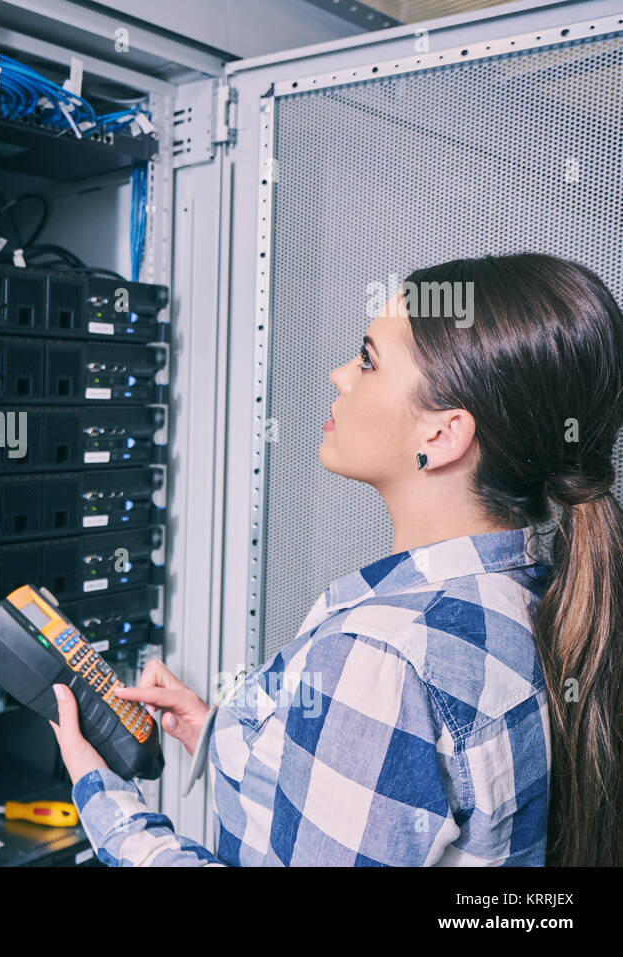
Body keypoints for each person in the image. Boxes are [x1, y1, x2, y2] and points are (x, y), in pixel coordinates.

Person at [50, 253, 623, 866]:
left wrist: (108, 806)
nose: (339, 375)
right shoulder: (535, 597)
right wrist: (223, 732)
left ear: (441, 436)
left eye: (368, 360)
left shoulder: (381, 658)